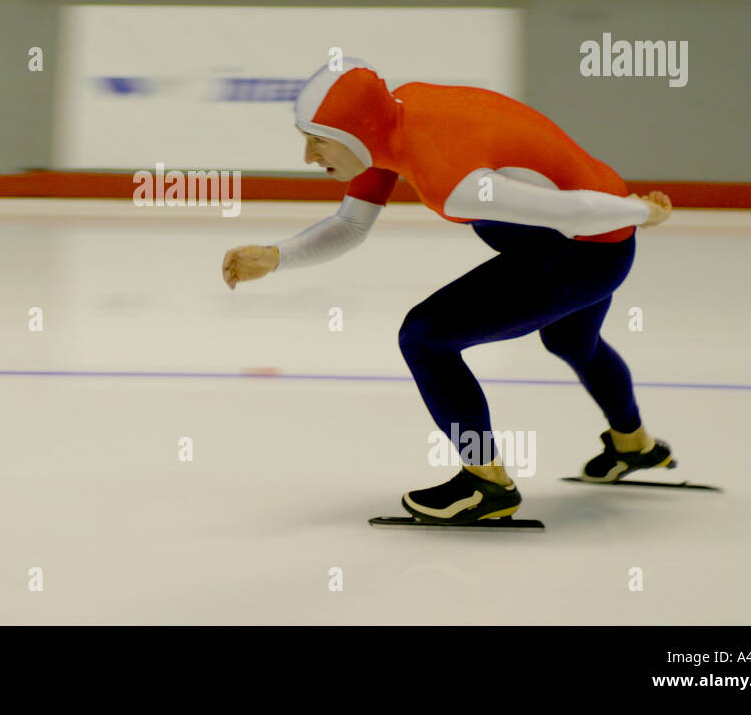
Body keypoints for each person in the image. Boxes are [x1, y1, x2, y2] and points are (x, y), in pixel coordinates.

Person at [221, 58, 675, 525]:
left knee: (425, 339)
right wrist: (278, 256)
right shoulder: (392, 119)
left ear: (356, 133)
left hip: (584, 249)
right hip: (583, 238)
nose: (309, 157)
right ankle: (633, 446)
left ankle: (487, 485)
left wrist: (639, 212)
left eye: (317, 140)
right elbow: (351, 223)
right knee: (570, 340)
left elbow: (576, 213)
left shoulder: (449, 179)